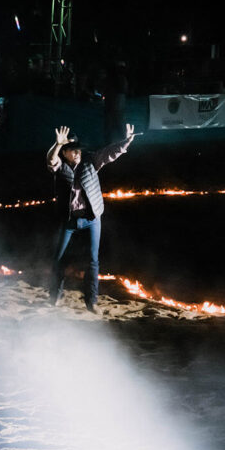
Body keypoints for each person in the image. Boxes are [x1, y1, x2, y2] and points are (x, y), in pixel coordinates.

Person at [46, 123, 136, 312]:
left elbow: (109, 153)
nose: (77, 153)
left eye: (78, 150)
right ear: (65, 153)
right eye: (72, 151)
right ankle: (55, 296)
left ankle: (91, 301)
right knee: (58, 258)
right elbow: (50, 160)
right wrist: (57, 145)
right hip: (69, 220)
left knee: (92, 260)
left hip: (92, 218)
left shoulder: (90, 160)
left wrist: (126, 142)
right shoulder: (60, 166)